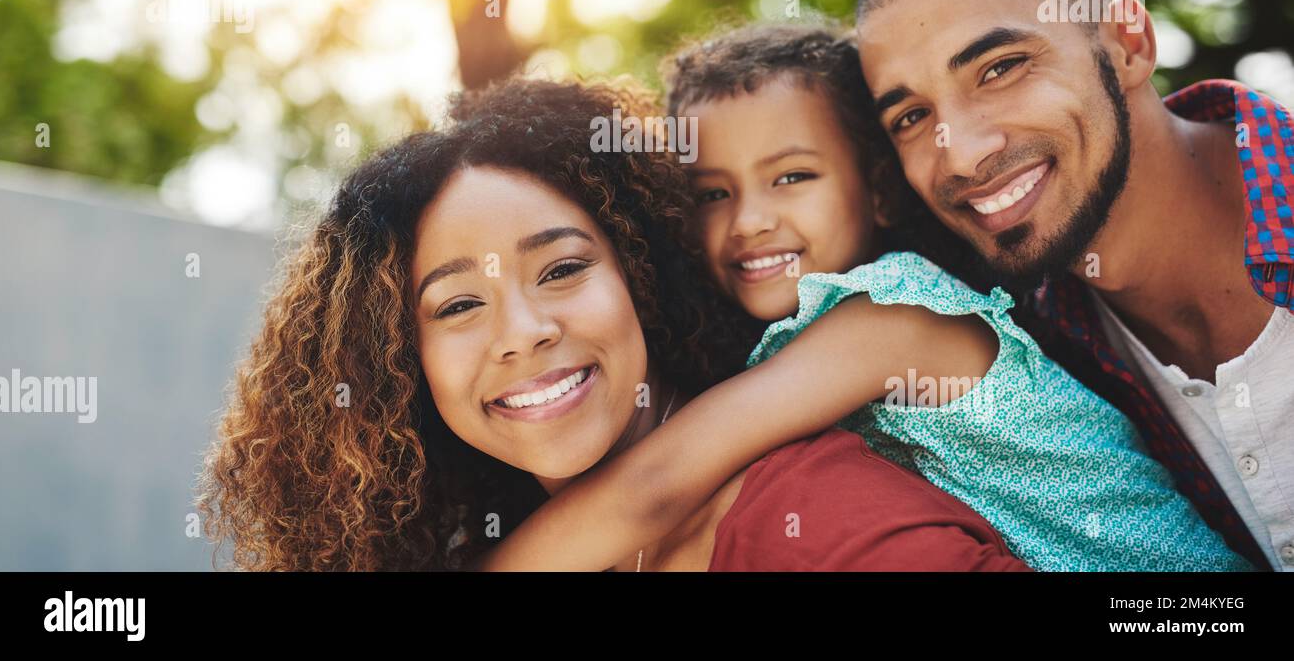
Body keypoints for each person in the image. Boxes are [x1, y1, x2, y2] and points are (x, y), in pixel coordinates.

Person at [478, 24, 1252, 572]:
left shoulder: (893, 314)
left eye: (792, 176)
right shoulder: (803, 335)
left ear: (878, 190)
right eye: (712, 192)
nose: (750, 221)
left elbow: (653, 487)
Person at [196, 77, 1029, 571]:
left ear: (643, 274)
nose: (522, 331)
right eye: (458, 305)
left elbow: (650, 489)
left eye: (562, 269)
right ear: (396, 361)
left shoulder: (821, 526)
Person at [855, 0, 1291, 571]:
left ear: (1127, 45)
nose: (962, 155)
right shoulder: (1037, 367)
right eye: (912, 116)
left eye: (999, 68)